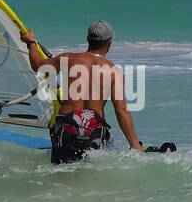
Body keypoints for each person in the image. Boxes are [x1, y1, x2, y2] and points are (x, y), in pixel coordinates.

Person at [20, 19, 144, 164]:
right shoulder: (113, 72)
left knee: (60, 174)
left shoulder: (68, 59)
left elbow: (37, 66)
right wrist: (134, 143)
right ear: (109, 42)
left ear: (87, 39)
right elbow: (121, 110)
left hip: (67, 128)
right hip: (93, 132)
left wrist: (31, 43)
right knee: (90, 177)